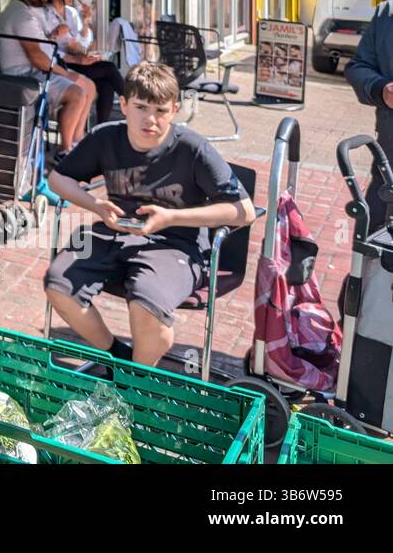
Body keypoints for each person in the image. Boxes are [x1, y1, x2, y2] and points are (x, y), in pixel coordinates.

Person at [43, 62, 254, 367]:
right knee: (58, 284)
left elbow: (243, 211)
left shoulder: (192, 148)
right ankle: (119, 358)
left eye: (161, 110)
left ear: (175, 110)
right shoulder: (105, 138)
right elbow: (57, 179)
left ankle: (137, 384)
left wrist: (171, 218)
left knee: (147, 304)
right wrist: (96, 205)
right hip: (114, 233)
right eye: (141, 107)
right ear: (124, 105)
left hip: (176, 244)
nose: (150, 119)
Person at [0, 0, 95, 152]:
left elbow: (43, 47)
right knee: (77, 94)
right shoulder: (21, 15)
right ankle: (66, 150)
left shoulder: (25, 10)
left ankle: (75, 140)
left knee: (88, 86)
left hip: (33, 71)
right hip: (24, 77)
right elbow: (37, 57)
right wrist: (65, 73)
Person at [46, 0, 125, 124]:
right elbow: (46, 48)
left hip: (77, 60)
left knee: (105, 85)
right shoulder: (46, 15)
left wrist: (85, 21)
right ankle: (132, 103)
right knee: (109, 68)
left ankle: (101, 128)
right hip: (61, 64)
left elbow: (83, 42)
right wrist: (73, 56)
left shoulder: (70, 13)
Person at [343, 2, 393, 226]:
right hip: (388, 170)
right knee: (372, 246)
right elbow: (359, 66)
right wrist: (380, 89)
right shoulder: (387, 12)